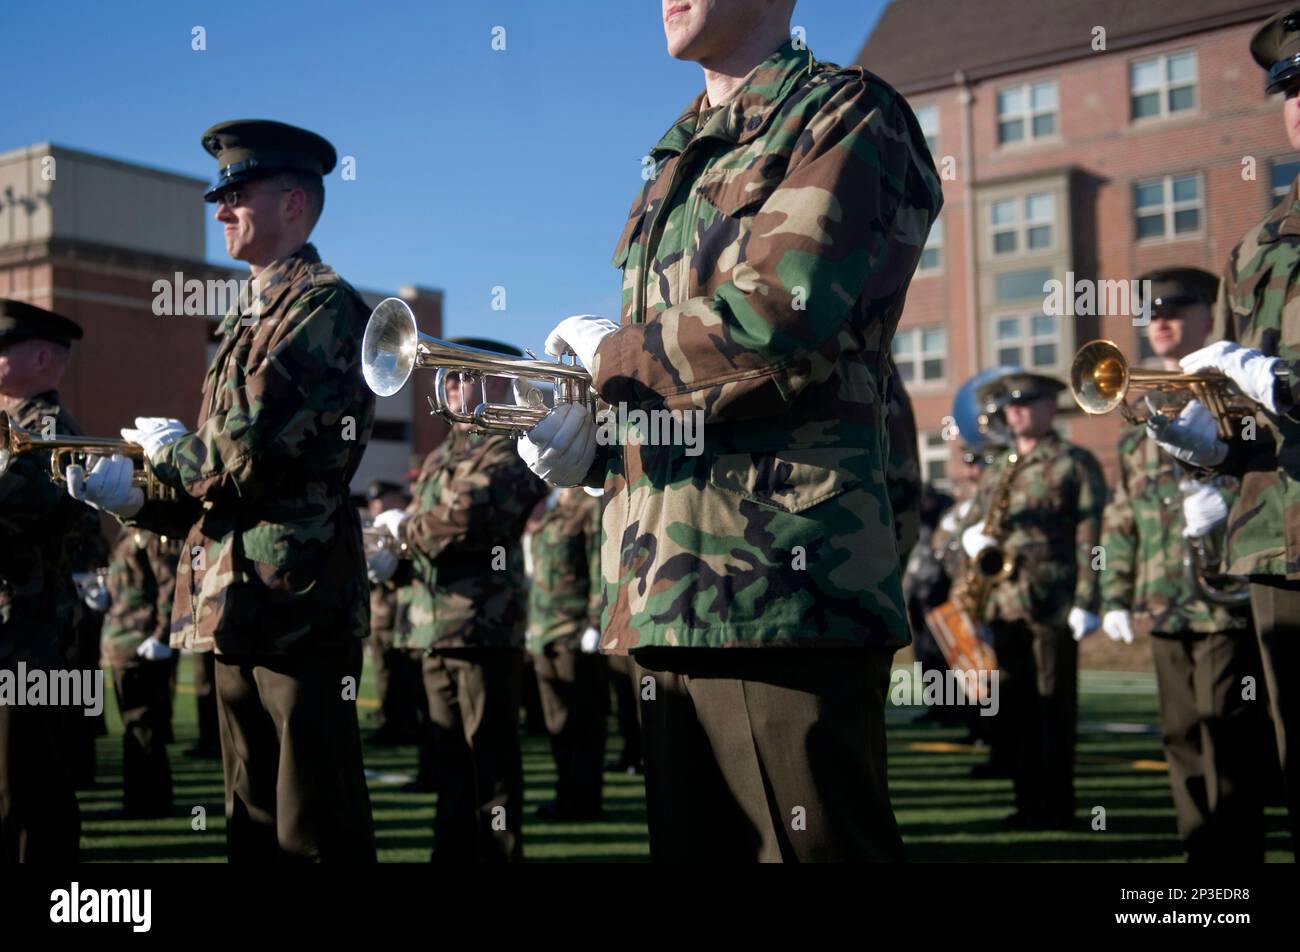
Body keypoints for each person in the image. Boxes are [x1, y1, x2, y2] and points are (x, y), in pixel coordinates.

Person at [514, 0, 942, 860]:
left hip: (782, 585)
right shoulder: (674, 154)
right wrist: (593, 443)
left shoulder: (843, 110)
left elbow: (784, 317)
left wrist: (612, 361)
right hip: (664, 584)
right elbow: (681, 381)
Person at [70, 120, 378, 862]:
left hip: (297, 602)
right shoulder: (248, 316)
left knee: (312, 825)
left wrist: (171, 454)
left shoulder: (323, 306)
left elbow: (244, 454)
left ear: (295, 203)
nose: (222, 212)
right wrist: (138, 499)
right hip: (236, 600)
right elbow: (223, 485)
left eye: (237, 194)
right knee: (252, 820)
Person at [1151, 8, 1300, 853]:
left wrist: (1283, 384)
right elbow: (1254, 424)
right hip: (1281, 550)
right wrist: (1215, 450)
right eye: (1291, 87)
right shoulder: (1255, 253)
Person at [1100, 267, 1267, 861]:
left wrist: (1221, 491)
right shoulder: (1138, 416)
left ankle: (1236, 862)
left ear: (1207, 314)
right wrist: (1114, 595)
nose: (1161, 321)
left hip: (1225, 593)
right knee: (1180, 734)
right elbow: (1123, 519)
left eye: (1176, 309)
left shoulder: (1240, 397)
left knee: (1227, 730)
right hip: (1166, 598)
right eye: (1153, 312)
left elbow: (1268, 476)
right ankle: (1201, 856)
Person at [371, 340, 548, 862]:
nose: (451, 386)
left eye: (462, 376)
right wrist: (392, 558)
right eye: (446, 379)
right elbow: (434, 527)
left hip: (481, 628)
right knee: (449, 761)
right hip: (432, 627)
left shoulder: (509, 443)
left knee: (488, 764)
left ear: (492, 381)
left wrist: (402, 534)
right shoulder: (443, 453)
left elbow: (466, 516)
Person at [957, 372, 1107, 830]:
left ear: (1050, 407)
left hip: (1051, 600)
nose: (1016, 412)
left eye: (1027, 403)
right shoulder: (1001, 465)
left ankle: (1056, 806)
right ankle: (1027, 803)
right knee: (1017, 708)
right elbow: (982, 527)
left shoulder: (1074, 461)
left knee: (1052, 709)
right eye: (1010, 405)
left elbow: (1093, 533)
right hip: (1003, 602)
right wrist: (973, 587)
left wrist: (1089, 598)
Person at [0, 299, 91, 861]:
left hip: (28, 635)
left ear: (38, 357)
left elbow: (14, 504)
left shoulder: (48, 433)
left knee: (25, 787)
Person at [526, 487, 606, 821]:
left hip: (575, 631)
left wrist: (594, 621)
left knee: (582, 723)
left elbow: (600, 563)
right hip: (544, 629)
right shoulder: (548, 507)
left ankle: (584, 801)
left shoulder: (591, 505)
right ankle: (566, 796)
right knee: (558, 723)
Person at [101, 529, 184, 819]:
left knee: (144, 725)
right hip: (121, 643)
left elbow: (170, 586)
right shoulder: (127, 536)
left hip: (140, 641)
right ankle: (139, 801)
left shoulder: (150, 535)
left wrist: (162, 636)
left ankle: (149, 804)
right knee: (135, 725)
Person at [364, 479, 421, 746]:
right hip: (382, 615)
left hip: (403, 613)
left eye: (381, 498)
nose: (376, 504)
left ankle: (405, 724)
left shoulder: (399, 521)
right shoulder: (379, 525)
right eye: (373, 500)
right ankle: (392, 722)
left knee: (404, 675)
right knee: (385, 673)